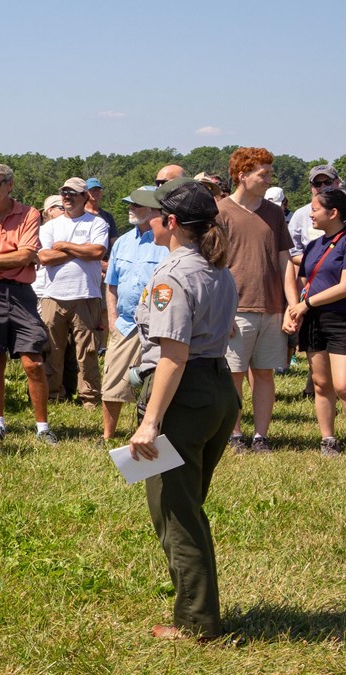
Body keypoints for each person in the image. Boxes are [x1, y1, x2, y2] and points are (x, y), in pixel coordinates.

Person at [128, 177, 238, 641]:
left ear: (171, 222)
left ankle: (196, 624)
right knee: (187, 507)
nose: (147, 219)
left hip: (183, 394)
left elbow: (173, 355)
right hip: (217, 388)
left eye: (154, 213)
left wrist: (150, 422)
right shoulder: (217, 269)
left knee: (176, 513)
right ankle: (196, 609)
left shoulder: (173, 275)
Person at [0, 163, 55, 445]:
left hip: (21, 293)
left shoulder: (29, 214)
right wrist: (13, 259)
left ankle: (43, 428)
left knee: (33, 362)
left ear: (10, 185)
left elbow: (25, 255)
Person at [216, 147, 292, 453]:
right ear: (242, 175)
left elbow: (285, 261)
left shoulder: (274, 214)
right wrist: (222, 311)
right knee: (234, 374)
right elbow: (212, 265)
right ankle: (235, 435)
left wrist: (292, 305)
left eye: (270, 173)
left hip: (272, 307)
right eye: (264, 174)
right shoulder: (220, 212)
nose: (269, 179)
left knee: (264, 374)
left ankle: (261, 437)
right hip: (236, 309)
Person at [101, 187, 167, 444]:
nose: (130, 208)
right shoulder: (122, 242)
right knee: (113, 381)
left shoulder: (167, 242)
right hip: (126, 324)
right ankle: (108, 435)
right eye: (130, 203)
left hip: (158, 325)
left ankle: (156, 431)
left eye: (136, 205)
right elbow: (112, 285)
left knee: (158, 381)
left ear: (153, 209)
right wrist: (112, 319)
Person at [283, 188, 346, 455]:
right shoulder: (313, 246)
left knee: (343, 385)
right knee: (321, 383)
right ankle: (328, 440)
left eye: (315, 209)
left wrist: (306, 304)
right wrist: (292, 310)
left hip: (340, 320)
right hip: (313, 322)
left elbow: (344, 286)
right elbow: (304, 282)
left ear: (333, 213)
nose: (310, 214)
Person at [37, 178, 109, 408]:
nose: (67, 197)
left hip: (86, 294)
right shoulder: (49, 227)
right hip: (52, 295)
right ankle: (53, 395)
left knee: (88, 351)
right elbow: (45, 257)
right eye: (64, 192)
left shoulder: (97, 223)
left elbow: (97, 252)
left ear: (85, 196)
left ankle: (90, 397)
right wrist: (81, 249)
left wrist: (65, 246)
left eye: (73, 193)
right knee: (52, 349)